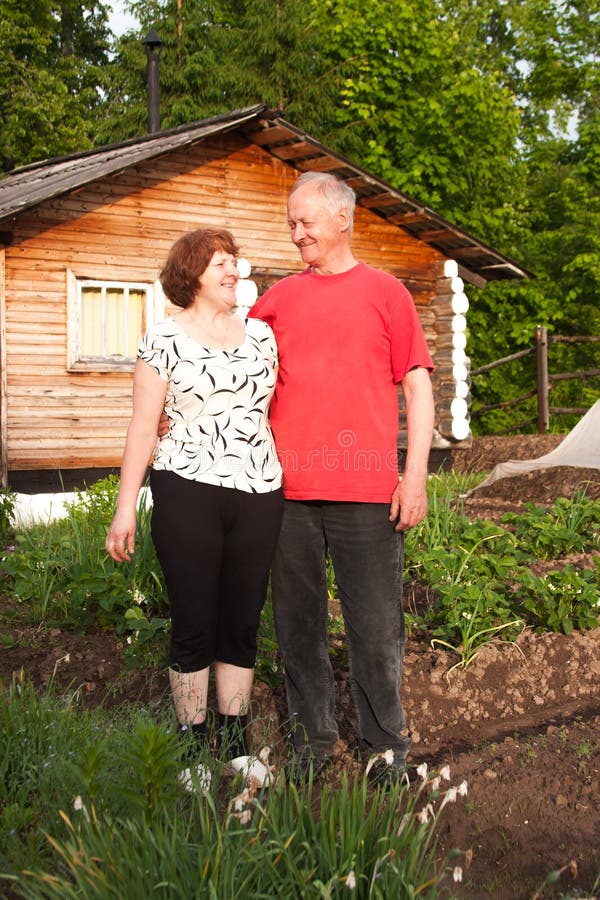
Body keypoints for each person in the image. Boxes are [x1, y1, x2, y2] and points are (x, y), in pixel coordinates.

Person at [247, 172, 435, 784]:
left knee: (375, 628)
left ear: (342, 219)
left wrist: (415, 478)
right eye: (291, 224)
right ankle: (311, 745)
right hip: (288, 494)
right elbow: (234, 367)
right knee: (297, 626)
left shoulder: (388, 294)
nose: (295, 233)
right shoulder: (277, 300)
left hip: (366, 493)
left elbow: (418, 386)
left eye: (305, 222)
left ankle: (385, 750)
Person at [106, 228, 283, 792]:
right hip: (187, 486)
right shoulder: (162, 339)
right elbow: (142, 425)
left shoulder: (263, 338)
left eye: (235, 261)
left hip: (260, 490)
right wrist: (124, 508)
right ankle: (191, 755)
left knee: (242, 621)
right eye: (220, 263)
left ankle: (234, 746)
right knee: (194, 622)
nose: (233, 271)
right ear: (190, 274)